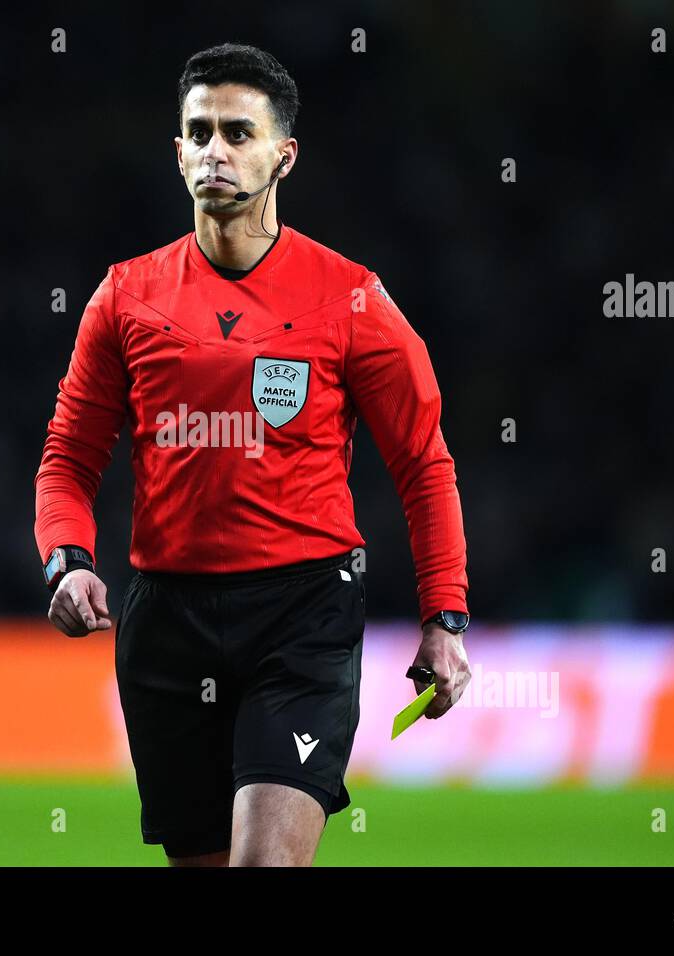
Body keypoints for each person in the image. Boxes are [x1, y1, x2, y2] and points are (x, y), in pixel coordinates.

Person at [34, 42, 471, 866]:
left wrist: (443, 618)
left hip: (303, 616)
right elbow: (68, 457)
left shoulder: (351, 299)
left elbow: (424, 465)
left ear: (284, 155)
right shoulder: (125, 296)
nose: (215, 151)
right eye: (199, 133)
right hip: (166, 621)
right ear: (177, 153)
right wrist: (67, 560)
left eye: (238, 133)